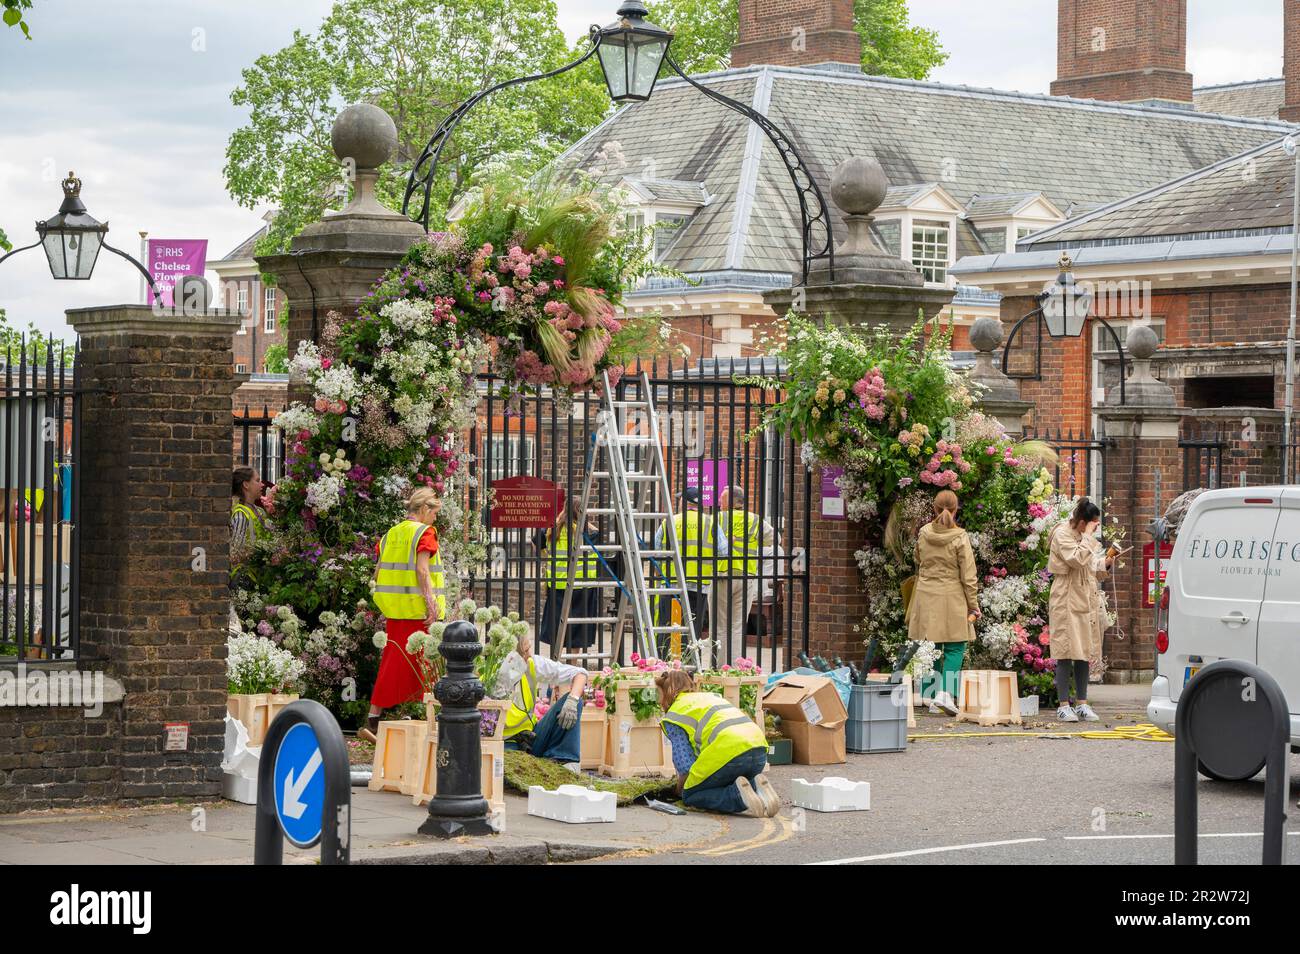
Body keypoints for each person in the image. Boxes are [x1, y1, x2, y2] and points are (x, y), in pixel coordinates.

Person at [364, 488, 447, 742]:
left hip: (395, 612)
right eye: (434, 512)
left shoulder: (390, 535)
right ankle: (435, 720)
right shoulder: (425, 533)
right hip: (418, 612)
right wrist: (431, 605)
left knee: (393, 662)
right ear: (423, 509)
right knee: (428, 665)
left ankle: (375, 717)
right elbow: (423, 572)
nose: (434, 519)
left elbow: (377, 574)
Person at [656, 669, 779, 816]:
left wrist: (681, 789)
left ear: (667, 691)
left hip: (729, 755)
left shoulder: (675, 714)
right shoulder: (710, 697)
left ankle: (738, 797)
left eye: (659, 694)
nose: (658, 701)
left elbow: (685, 765)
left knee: (690, 795)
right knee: (725, 779)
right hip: (758, 752)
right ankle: (756, 788)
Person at [907, 489, 979, 716]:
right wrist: (973, 604)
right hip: (952, 595)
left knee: (932, 645)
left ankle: (930, 696)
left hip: (926, 593)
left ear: (934, 508)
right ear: (956, 509)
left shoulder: (923, 532)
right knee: (956, 644)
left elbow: (917, 558)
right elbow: (968, 574)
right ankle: (946, 693)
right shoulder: (959, 536)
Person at [1047, 498, 1111, 723]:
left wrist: (1107, 562)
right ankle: (1064, 705)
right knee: (1065, 650)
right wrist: (1088, 537)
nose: (1095, 529)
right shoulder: (1062, 534)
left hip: (1084, 595)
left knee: (1084, 649)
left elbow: (1090, 565)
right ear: (1083, 522)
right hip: (1066, 596)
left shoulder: (1084, 537)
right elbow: (1075, 560)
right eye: (1093, 524)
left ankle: (1082, 703)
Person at [654, 487, 728, 657]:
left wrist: (662, 570)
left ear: (685, 503)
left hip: (672, 585)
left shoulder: (670, 522)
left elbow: (657, 552)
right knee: (693, 631)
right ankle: (691, 669)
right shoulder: (710, 523)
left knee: (668, 630)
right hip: (699, 585)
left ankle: (666, 666)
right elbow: (724, 552)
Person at [498, 629, 588, 765]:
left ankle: (561, 760)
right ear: (511, 656)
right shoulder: (495, 675)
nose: (529, 655)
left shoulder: (533, 663)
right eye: (525, 652)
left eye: (529, 649)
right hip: (504, 744)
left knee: (576, 702)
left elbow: (580, 674)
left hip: (531, 738)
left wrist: (572, 700)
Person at [535, 501, 600, 654]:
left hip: (558, 584)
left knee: (556, 625)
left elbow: (536, 542)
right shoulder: (589, 532)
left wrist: (547, 556)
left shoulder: (552, 529)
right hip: (583, 585)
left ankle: (555, 659)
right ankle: (572, 663)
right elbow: (597, 544)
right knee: (577, 629)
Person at [718, 486, 777, 652]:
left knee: (720, 625)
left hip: (721, 574)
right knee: (737, 625)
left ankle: (718, 667)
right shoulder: (754, 520)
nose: (719, 501)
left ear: (731, 501)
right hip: (745, 575)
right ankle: (734, 666)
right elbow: (775, 538)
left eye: (722, 498)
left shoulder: (716, 518)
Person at [231, 467, 271, 589]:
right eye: (258, 480)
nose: (262, 484)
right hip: (245, 579)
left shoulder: (259, 511)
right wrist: (258, 552)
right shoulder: (241, 514)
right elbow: (235, 554)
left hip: (259, 577)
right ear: (246, 485)